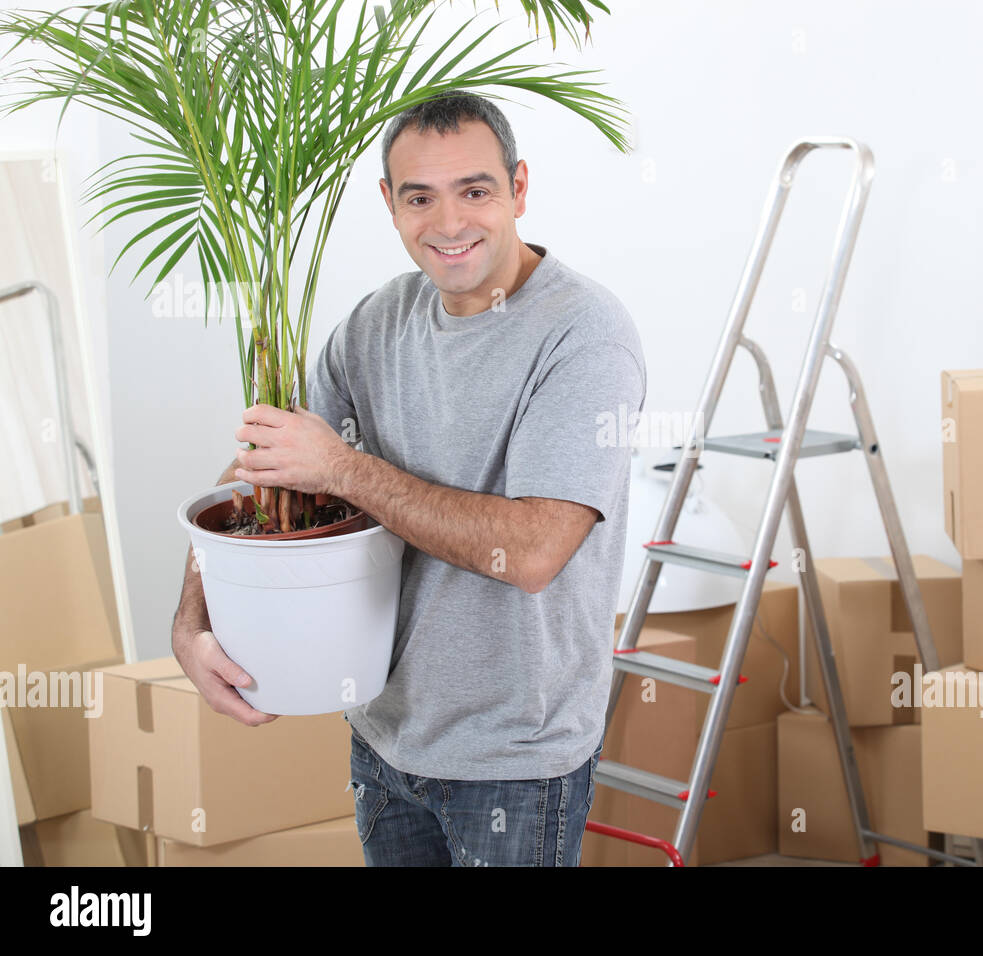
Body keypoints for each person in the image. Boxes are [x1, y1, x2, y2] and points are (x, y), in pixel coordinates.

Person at [170, 92, 647, 867]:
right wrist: (190, 625)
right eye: (420, 197)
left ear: (519, 188)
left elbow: (531, 553)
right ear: (389, 205)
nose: (449, 223)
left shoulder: (585, 336)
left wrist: (346, 470)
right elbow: (261, 471)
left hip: (513, 763)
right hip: (383, 741)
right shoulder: (377, 322)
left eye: (476, 190)